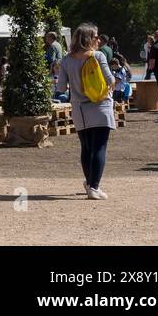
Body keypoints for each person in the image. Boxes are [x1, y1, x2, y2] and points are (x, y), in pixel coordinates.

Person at [54, 22, 115, 200]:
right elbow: (110, 79)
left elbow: (61, 87)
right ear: (89, 38)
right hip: (100, 106)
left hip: (79, 108)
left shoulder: (66, 59)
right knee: (99, 147)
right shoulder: (97, 56)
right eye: (96, 36)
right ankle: (94, 187)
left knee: (86, 147)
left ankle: (90, 183)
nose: (98, 39)